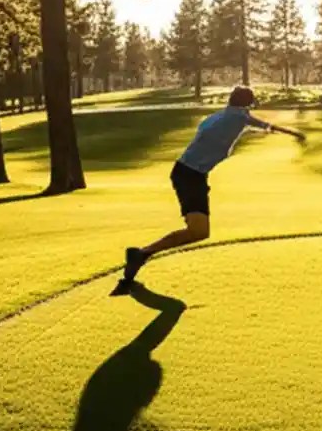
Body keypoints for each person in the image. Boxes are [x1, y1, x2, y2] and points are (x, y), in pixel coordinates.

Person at [115, 86, 304, 292]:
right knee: (198, 231)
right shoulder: (239, 117)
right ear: (246, 105)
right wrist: (295, 133)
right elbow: (264, 125)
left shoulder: (219, 116)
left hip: (188, 173)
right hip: (190, 175)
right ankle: (141, 253)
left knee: (197, 230)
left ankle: (141, 255)